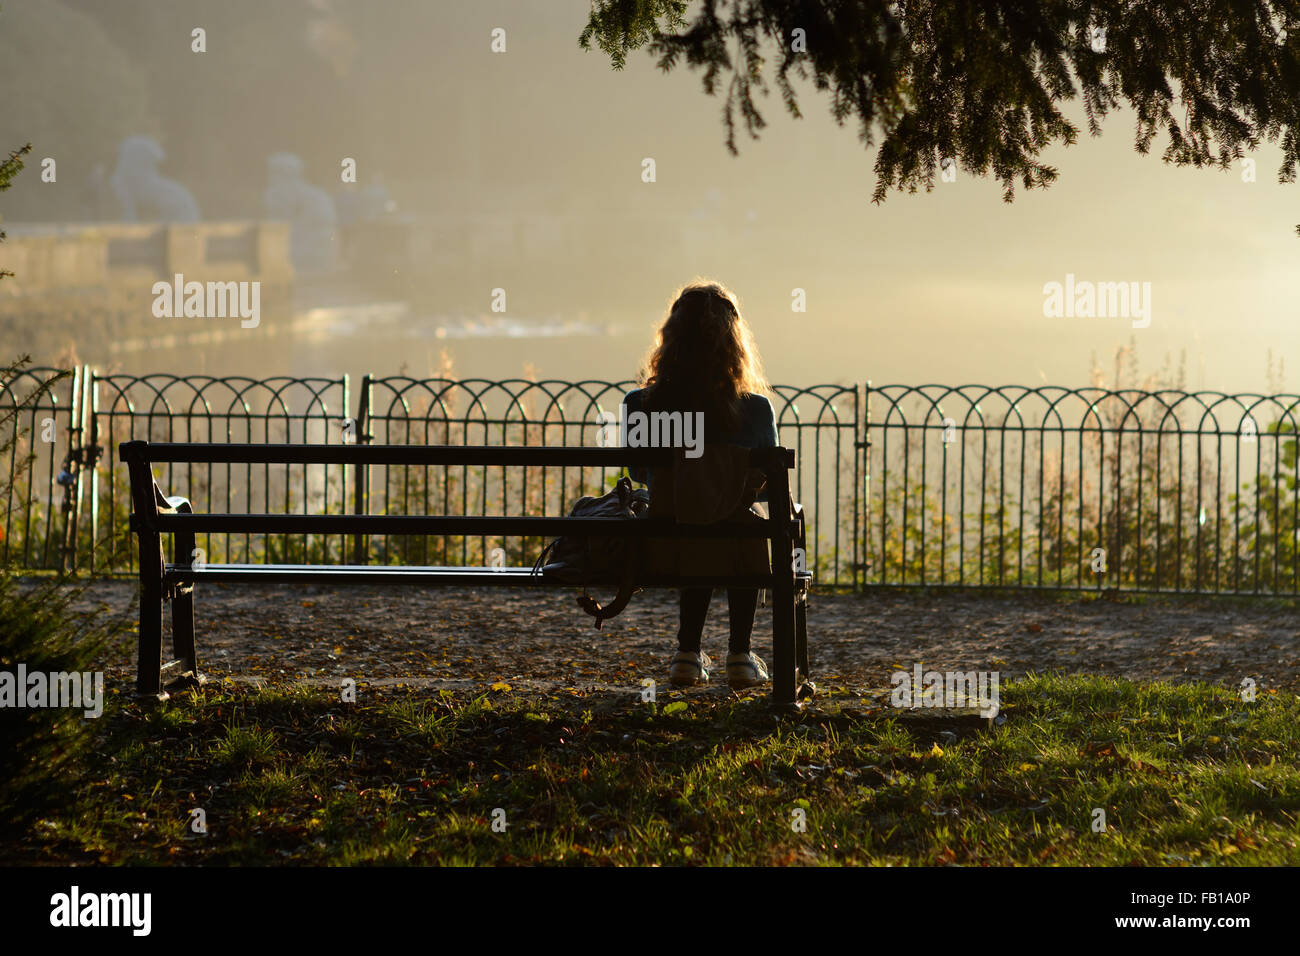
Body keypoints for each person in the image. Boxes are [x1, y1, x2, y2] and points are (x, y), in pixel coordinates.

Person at [622, 280, 778, 690]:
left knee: (694, 516)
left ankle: (687, 653)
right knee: (739, 520)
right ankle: (740, 654)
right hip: (736, 544)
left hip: (664, 545)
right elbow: (766, 487)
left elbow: (638, 471)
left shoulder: (640, 404)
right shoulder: (756, 410)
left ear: (671, 338)